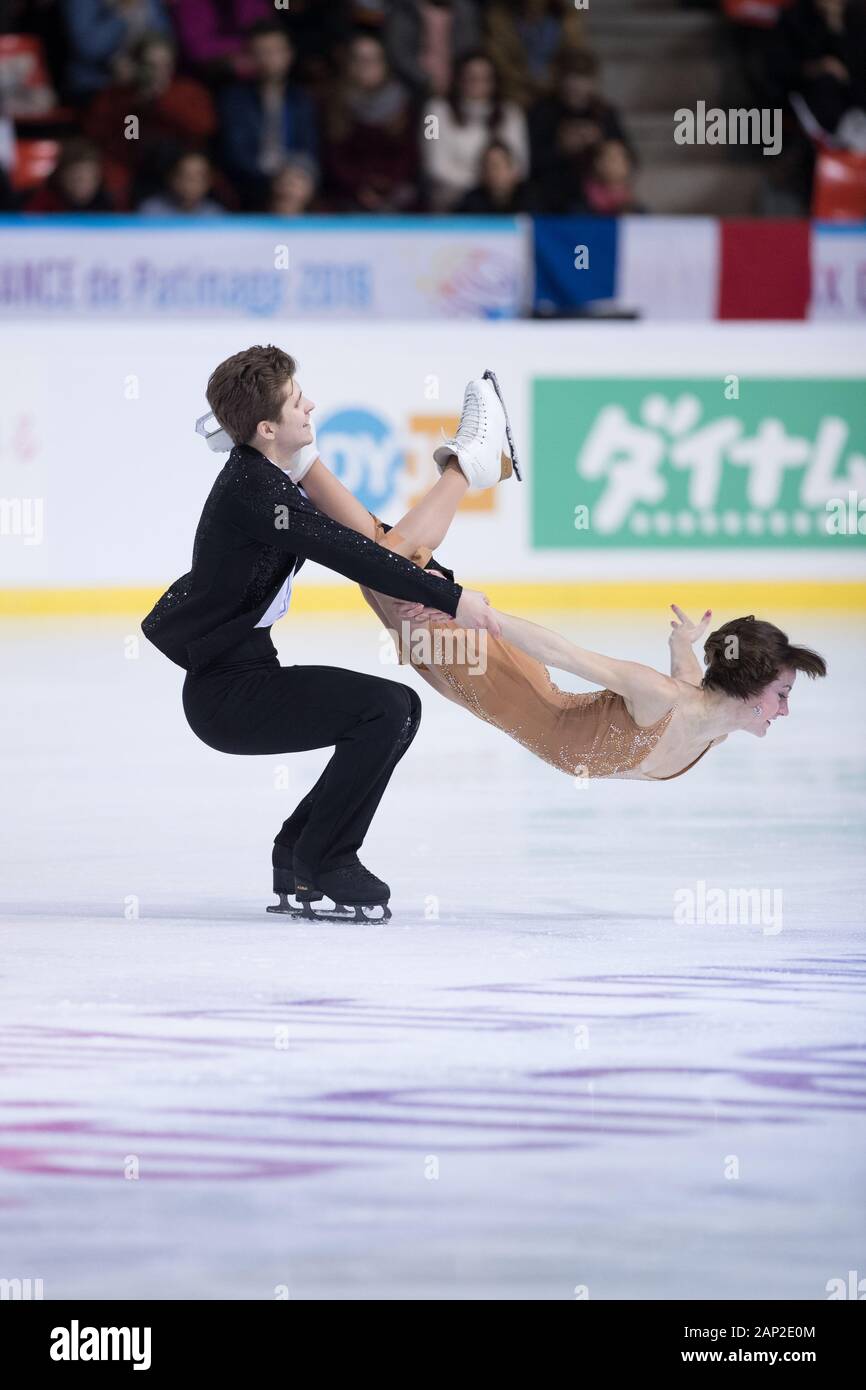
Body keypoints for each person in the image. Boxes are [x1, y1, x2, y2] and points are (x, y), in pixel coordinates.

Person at [290, 379, 828, 784]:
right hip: (498, 676)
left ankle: (296, 457)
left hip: (495, 695)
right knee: (384, 561)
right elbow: (567, 652)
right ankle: (467, 466)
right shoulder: (663, 697)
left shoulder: (703, 713)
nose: (784, 708)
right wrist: (468, 610)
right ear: (748, 687)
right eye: (781, 693)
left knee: (380, 558)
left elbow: (692, 679)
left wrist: (679, 644)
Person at [141, 347, 509, 921]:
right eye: (295, 401)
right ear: (267, 427)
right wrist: (453, 599)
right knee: (387, 709)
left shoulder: (259, 473)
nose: (310, 404)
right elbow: (357, 556)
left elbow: (363, 536)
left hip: (245, 677)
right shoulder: (258, 494)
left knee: (390, 709)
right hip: (227, 698)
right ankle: (326, 857)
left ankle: (298, 851)